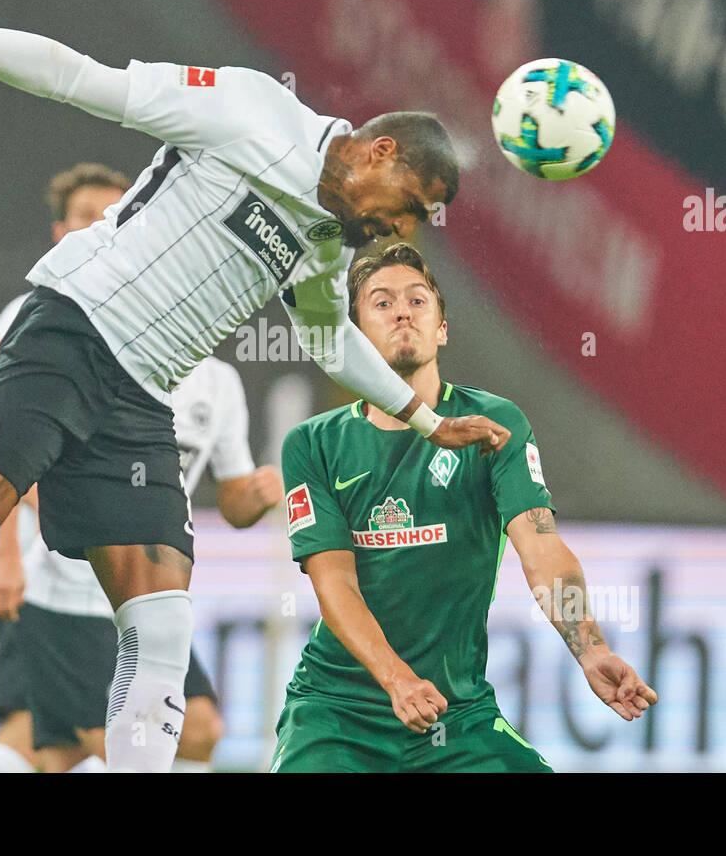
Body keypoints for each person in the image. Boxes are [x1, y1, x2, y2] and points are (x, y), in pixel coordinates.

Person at [0, 0, 508, 773]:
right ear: (379, 152)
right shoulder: (252, 108)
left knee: (164, 622)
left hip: (141, 396)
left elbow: (326, 339)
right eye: (410, 209)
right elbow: (82, 79)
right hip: (71, 328)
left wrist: (427, 419)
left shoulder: (323, 242)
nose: (401, 231)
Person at [270, 244, 658, 772]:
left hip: (456, 716)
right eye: (381, 303)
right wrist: (397, 680)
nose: (403, 310)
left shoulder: (493, 424)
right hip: (338, 713)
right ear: (354, 337)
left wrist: (590, 650)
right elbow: (334, 584)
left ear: (442, 329)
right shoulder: (312, 445)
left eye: (417, 299)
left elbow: (542, 550)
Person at [0, 164, 281, 774]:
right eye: (89, 217)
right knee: (116, 745)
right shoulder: (47, 325)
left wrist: (260, 493)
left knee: (93, 741)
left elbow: (235, 503)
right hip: (63, 588)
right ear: (61, 233)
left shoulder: (217, 382)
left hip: (148, 594)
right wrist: (5, 556)